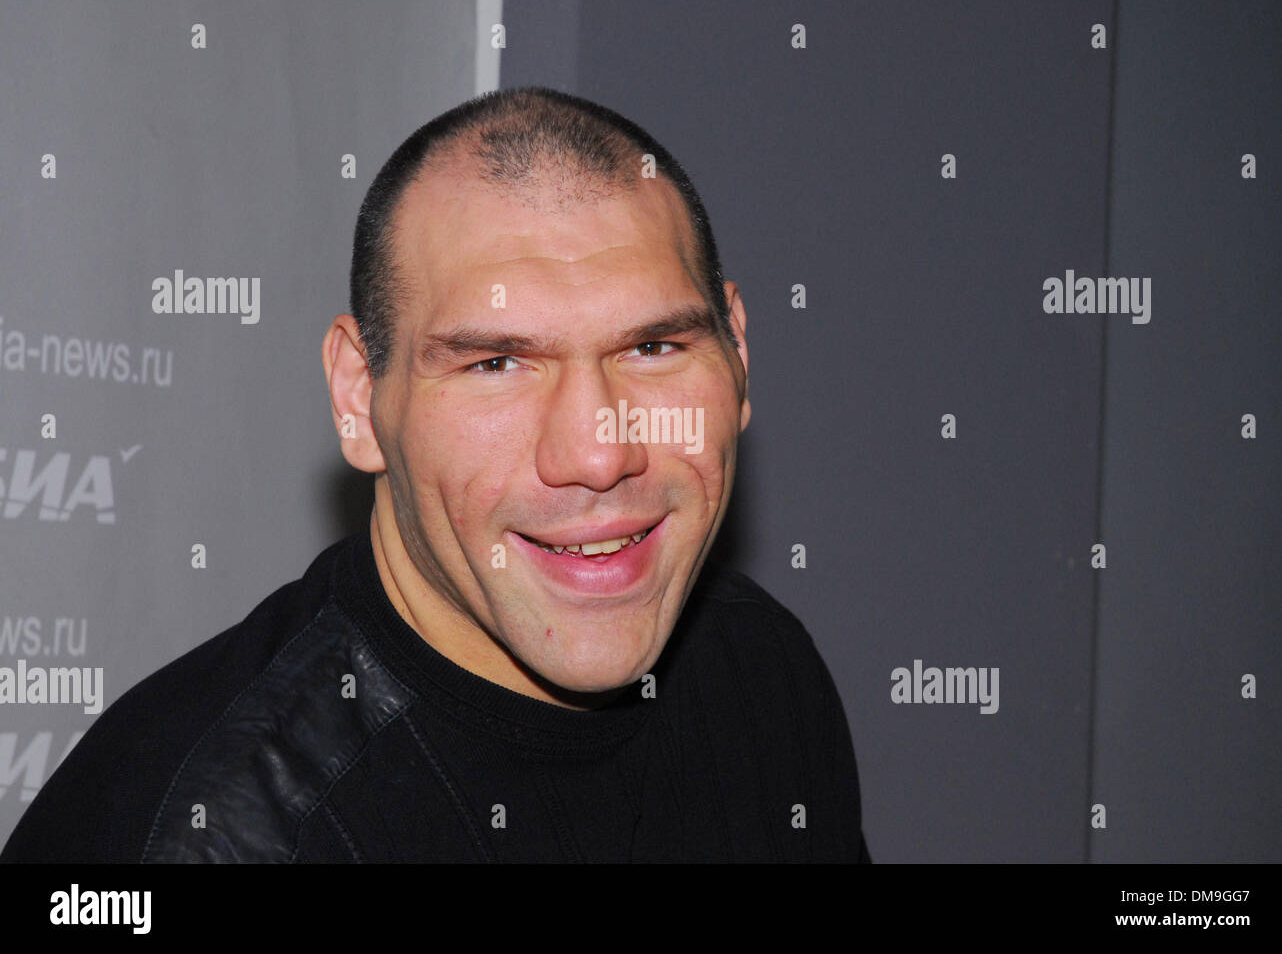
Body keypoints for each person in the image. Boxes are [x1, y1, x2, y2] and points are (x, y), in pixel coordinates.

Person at [1, 86, 869, 863]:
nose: (600, 454)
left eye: (653, 347)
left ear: (740, 354)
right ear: (358, 396)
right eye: (496, 364)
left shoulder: (762, 670)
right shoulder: (217, 838)